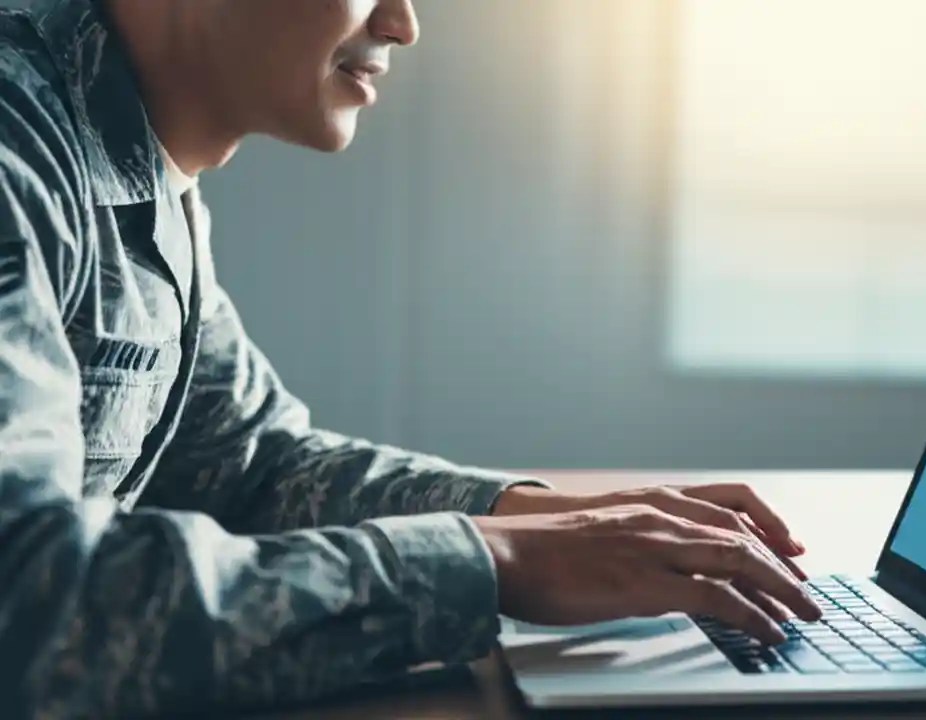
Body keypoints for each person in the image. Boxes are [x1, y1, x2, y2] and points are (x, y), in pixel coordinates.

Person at [0, 0, 821, 716]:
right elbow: (27, 611)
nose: (402, 23)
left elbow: (249, 468)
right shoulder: (15, 161)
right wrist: (496, 563)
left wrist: (560, 524)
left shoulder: (136, 160)